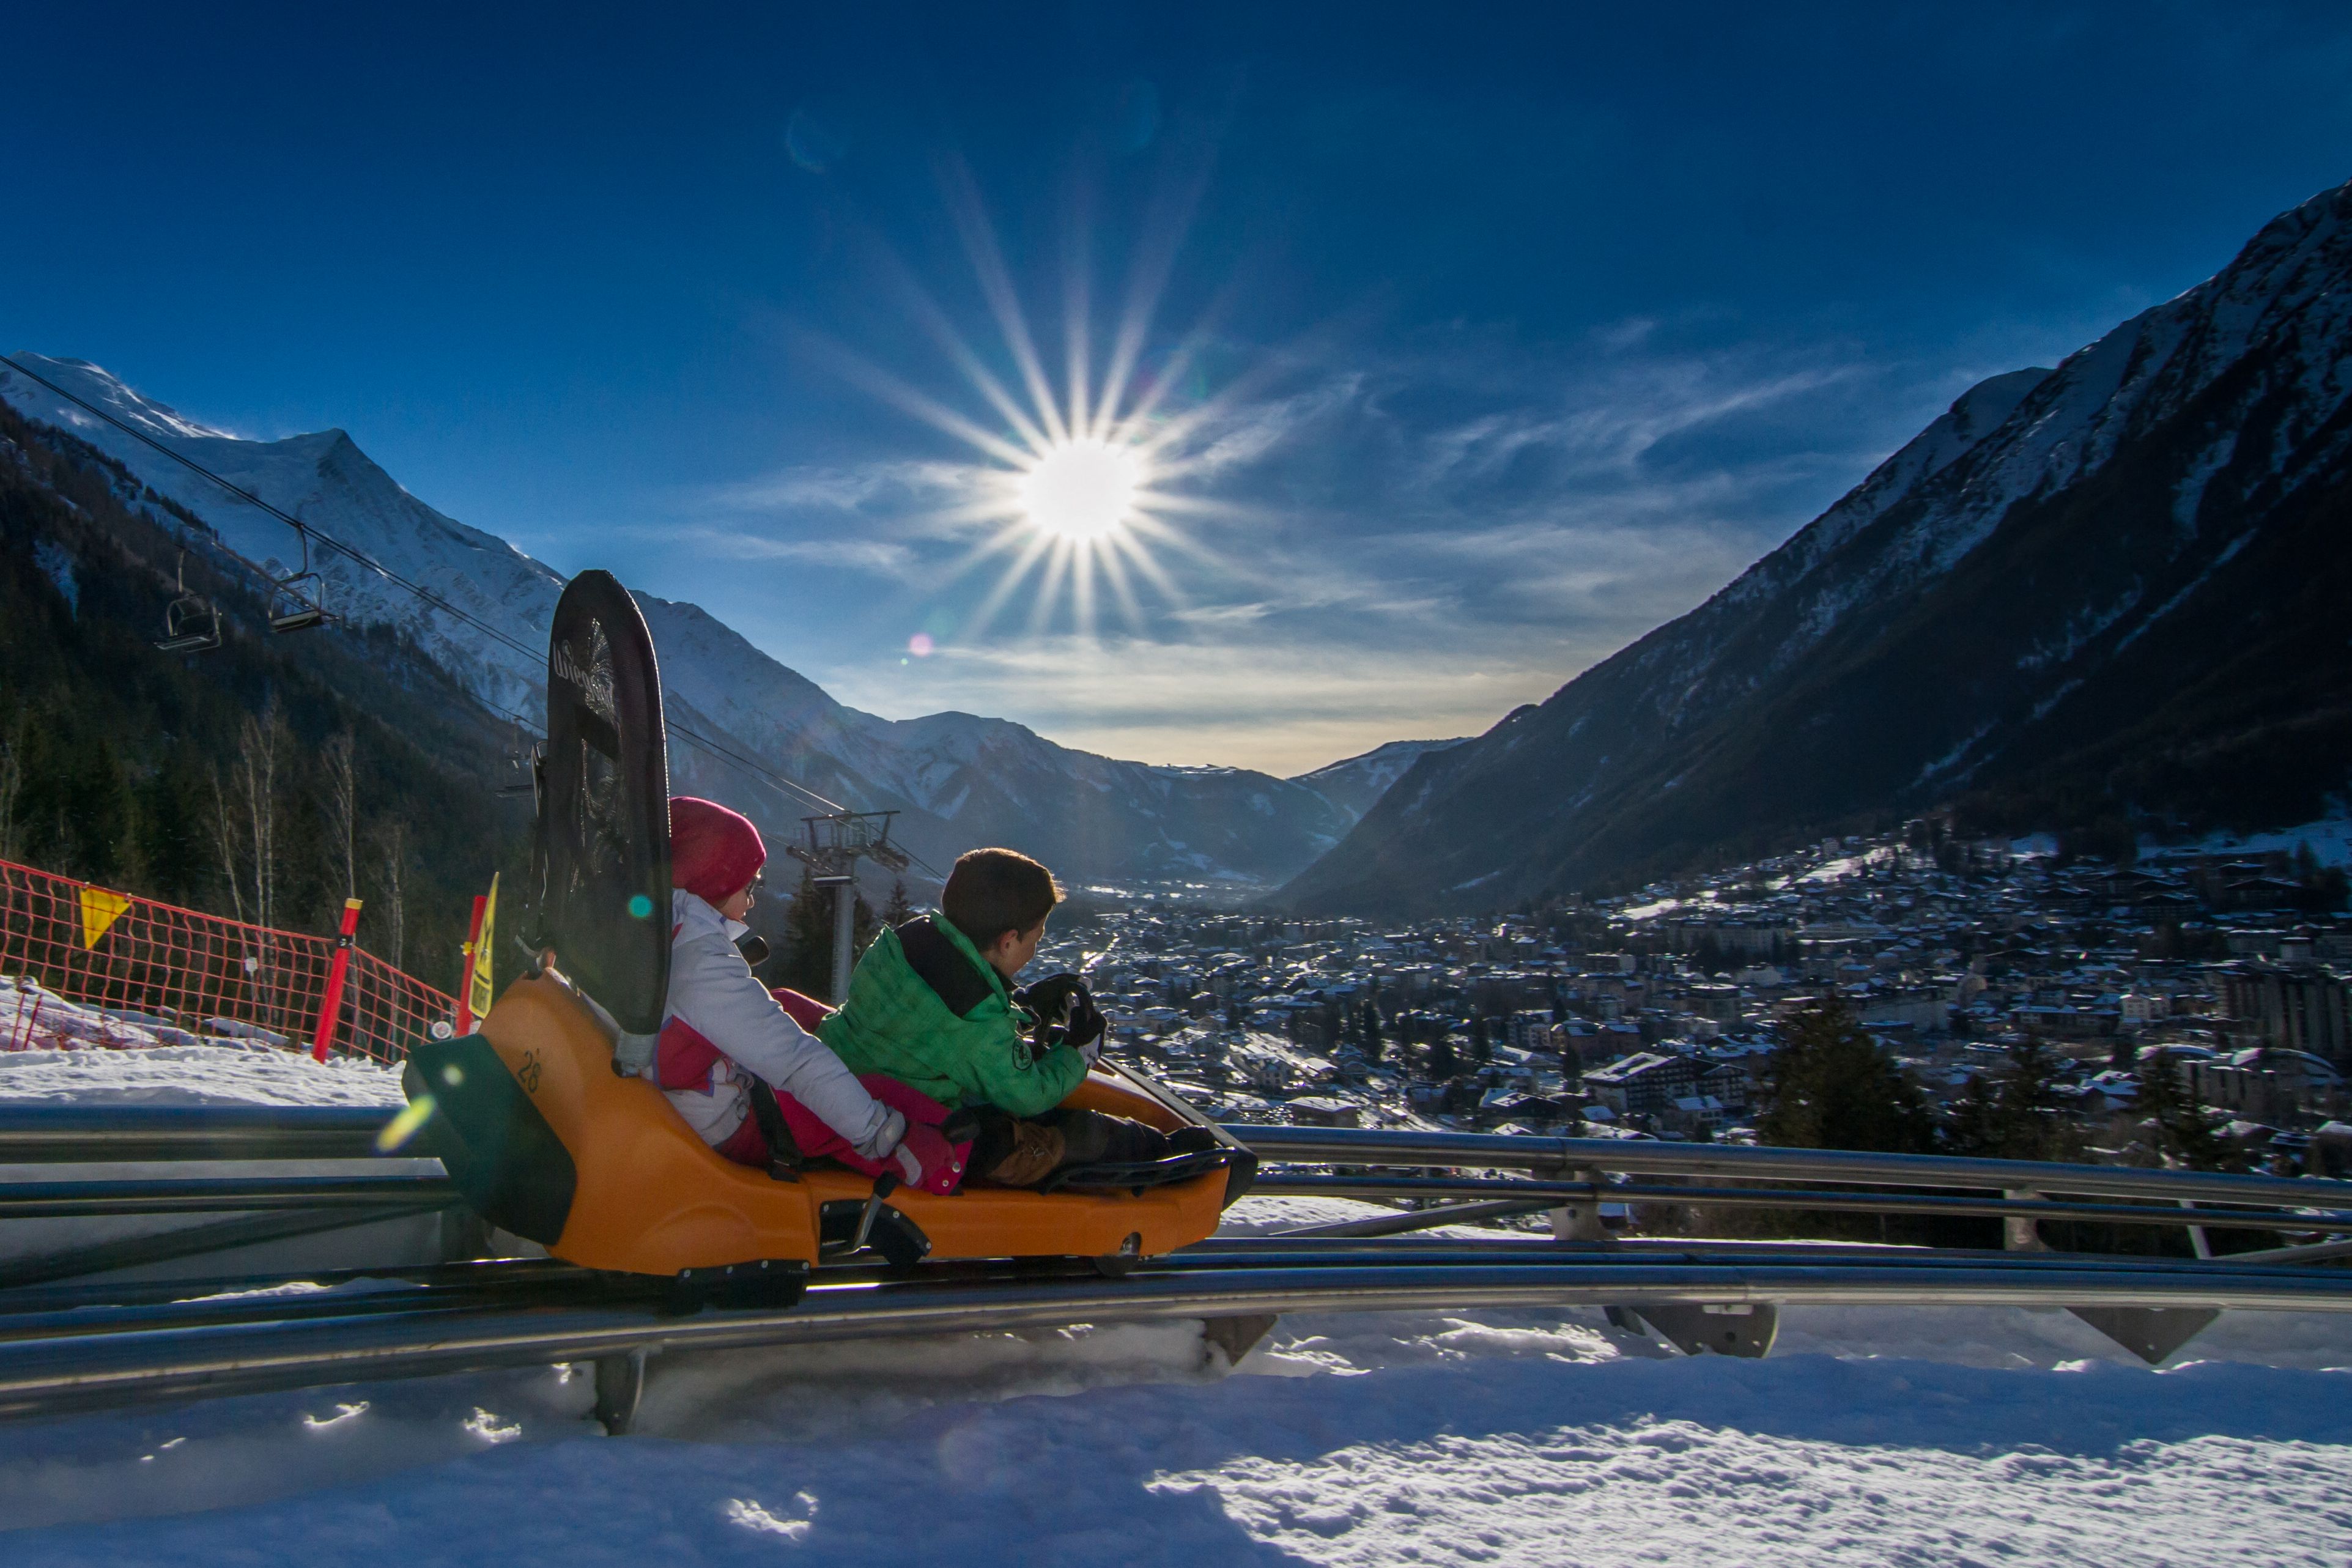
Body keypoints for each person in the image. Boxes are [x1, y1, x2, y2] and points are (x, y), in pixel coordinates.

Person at [819, 846, 1215, 1186]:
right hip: (918, 1134)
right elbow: (1027, 1094)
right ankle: (1171, 1160)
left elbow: (934, 1028)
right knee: (1059, 1136)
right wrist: (1079, 1053)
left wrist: (1020, 1003)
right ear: (1008, 941)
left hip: (854, 1090)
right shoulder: (975, 1022)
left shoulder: (905, 944)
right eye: (1036, 939)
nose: (1035, 950)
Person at [653, 797, 963, 1193]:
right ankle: (944, 1167)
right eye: (750, 886)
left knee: (786, 1000)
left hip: (689, 1084)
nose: (751, 901)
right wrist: (881, 1132)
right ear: (713, 881)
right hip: (727, 1123)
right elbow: (796, 1063)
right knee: (875, 1091)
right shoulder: (700, 964)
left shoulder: (663, 928)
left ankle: (853, 1049)